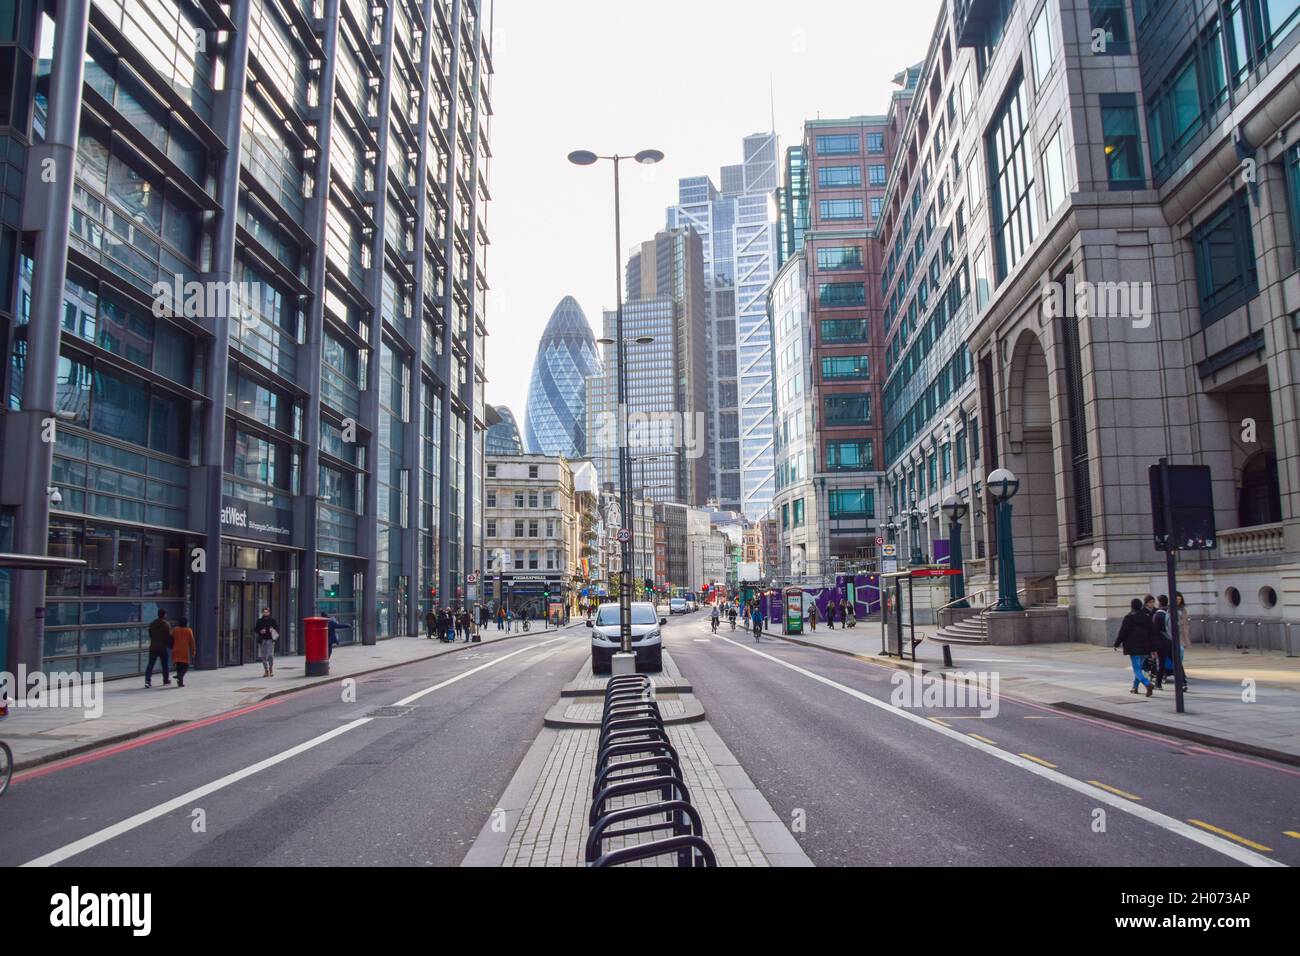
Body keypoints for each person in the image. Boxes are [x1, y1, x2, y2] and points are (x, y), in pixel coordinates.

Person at [1114, 598, 1155, 697]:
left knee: (1136, 669)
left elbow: (1123, 632)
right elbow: (1152, 633)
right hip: (1145, 646)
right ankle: (1134, 687)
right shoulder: (1146, 617)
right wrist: (1153, 647)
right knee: (1139, 668)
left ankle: (1146, 683)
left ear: (1132, 606)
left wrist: (1117, 643)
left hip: (1134, 647)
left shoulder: (1129, 618)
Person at [1152, 595, 1175, 689]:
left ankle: (1158, 683)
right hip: (1171, 641)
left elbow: (1154, 631)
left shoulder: (1157, 615)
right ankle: (1183, 681)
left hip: (1161, 642)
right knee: (1176, 661)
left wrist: (1153, 646)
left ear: (1159, 603)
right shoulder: (1170, 613)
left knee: (1161, 663)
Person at [145, 608, 172, 688]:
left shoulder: (152, 624)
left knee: (150, 665)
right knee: (164, 665)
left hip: (153, 647)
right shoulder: (166, 625)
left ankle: (147, 681)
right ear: (164, 615)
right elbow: (168, 636)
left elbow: (150, 634)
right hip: (162, 647)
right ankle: (166, 680)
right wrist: (169, 645)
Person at [170, 616, 196, 688]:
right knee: (185, 666)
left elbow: (171, 638)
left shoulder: (175, 629)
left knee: (178, 665)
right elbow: (192, 642)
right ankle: (180, 677)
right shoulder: (188, 630)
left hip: (176, 649)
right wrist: (193, 650)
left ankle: (180, 681)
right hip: (184, 650)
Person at [254, 608, 278, 678]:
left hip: (270, 640)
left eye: (267, 612)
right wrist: (260, 631)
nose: (265, 613)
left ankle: (271, 668)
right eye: (264, 612)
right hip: (262, 640)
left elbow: (277, 629)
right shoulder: (259, 621)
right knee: (263, 656)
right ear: (262, 613)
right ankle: (266, 670)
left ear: (269, 613)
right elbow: (255, 629)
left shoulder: (272, 620)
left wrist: (272, 630)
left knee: (270, 655)